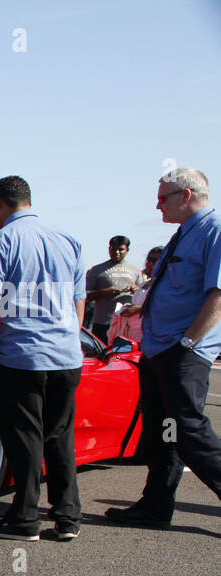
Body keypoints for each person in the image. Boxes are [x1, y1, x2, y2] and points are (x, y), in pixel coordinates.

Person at [0, 175, 85, 542]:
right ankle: (68, 517)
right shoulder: (69, 241)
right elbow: (79, 299)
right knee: (60, 436)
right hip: (67, 356)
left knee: (25, 437)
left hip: (22, 356)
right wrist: (68, 336)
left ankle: (24, 518)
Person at [105, 167, 221, 528]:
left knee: (187, 430)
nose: (157, 207)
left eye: (162, 198)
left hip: (182, 351)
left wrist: (189, 341)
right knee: (161, 432)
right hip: (159, 349)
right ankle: (155, 507)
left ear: (186, 195)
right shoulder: (183, 234)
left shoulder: (213, 230)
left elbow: (218, 292)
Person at [85, 235, 139, 342]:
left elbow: (143, 297)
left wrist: (136, 289)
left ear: (127, 250)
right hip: (103, 323)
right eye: (113, 249)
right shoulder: (97, 270)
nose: (117, 252)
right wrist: (103, 293)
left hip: (126, 325)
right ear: (109, 249)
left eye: (121, 249)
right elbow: (84, 296)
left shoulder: (135, 271)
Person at [107, 245, 163, 345]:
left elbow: (167, 306)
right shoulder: (145, 283)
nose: (150, 263)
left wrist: (139, 308)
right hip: (133, 334)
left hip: (152, 335)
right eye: (148, 259)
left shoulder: (169, 284)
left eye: (155, 260)